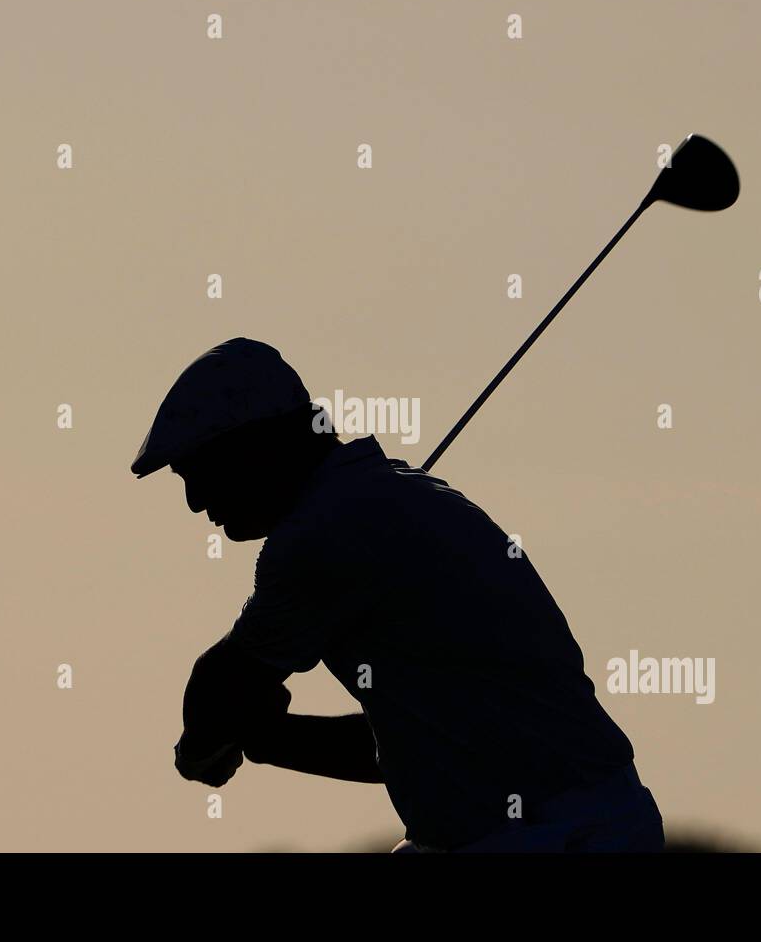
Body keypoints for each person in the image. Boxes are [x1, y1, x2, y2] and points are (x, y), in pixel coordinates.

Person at [132, 338, 664, 852]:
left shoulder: (320, 536)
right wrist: (271, 739)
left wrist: (202, 750)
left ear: (259, 446)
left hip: (555, 836)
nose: (195, 501)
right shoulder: (390, 498)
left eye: (201, 471)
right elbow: (415, 746)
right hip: (578, 823)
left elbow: (219, 684)